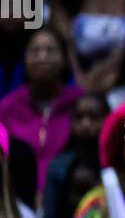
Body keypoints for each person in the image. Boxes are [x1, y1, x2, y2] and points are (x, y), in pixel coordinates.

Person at [0, 27, 82, 198]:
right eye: (35, 51)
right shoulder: (7, 108)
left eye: (50, 51)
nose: (42, 57)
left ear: (65, 59)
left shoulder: (80, 104)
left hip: (67, 200)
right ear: (24, 59)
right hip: (16, 200)